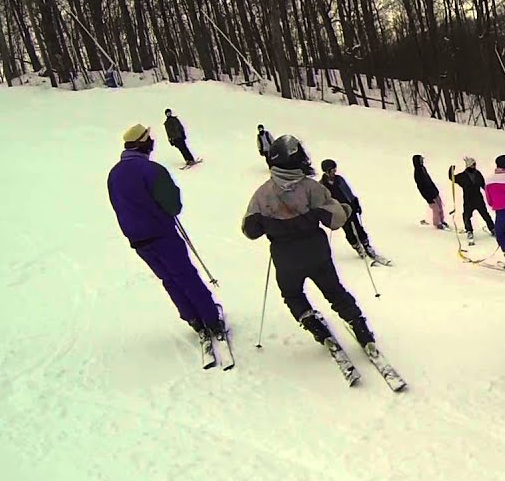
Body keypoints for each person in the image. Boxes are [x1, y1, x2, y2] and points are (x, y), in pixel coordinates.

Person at [242, 134, 378, 351]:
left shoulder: (262, 194)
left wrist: (271, 221)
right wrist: (345, 208)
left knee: (293, 294)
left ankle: (314, 325)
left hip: (285, 259)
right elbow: (336, 220)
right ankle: (360, 328)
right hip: (317, 254)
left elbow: (250, 231)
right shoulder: (312, 188)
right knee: (335, 291)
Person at [107, 123, 226, 340]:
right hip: (161, 234)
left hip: (137, 239)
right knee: (185, 276)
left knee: (168, 279)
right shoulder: (152, 170)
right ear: (143, 143)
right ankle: (211, 320)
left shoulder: (114, 173)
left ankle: (193, 318)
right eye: (149, 138)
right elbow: (173, 206)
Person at [320, 158, 382, 260]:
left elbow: (348, 192)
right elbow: (324, 201)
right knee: (348, 230)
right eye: (332, 170)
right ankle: (357, 246)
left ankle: (366, 245)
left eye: (335, 170)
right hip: (338, 212)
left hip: (349, 207)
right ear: (326, 171)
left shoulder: (339, 179)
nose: (334, 172)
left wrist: (355, 203)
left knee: (358, 227)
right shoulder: (322, 185)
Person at [452, 156, 495, 244]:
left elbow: (483, 185)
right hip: (468, 200)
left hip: (478, 199)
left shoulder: (478, 174)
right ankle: (469, 231)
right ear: (468, 165)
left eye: (475, 164)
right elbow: (452, 178)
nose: (475, 166)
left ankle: (492, 229)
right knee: (466, 216)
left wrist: (490, 193)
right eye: (473, 164)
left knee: (485, 215)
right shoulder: (462, 176)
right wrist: (451, 171)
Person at [413, 155, 448, 229]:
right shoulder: (417, 173)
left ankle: (442, 220)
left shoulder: (423, 169)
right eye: (421, 160)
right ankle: (437, 223)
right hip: (428, 195)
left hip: (434, 191)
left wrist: (435, 190)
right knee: (436, 209)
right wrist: (427, 198)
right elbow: (421, 187)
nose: (422, 161)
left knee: (440, 206)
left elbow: (429, 180)